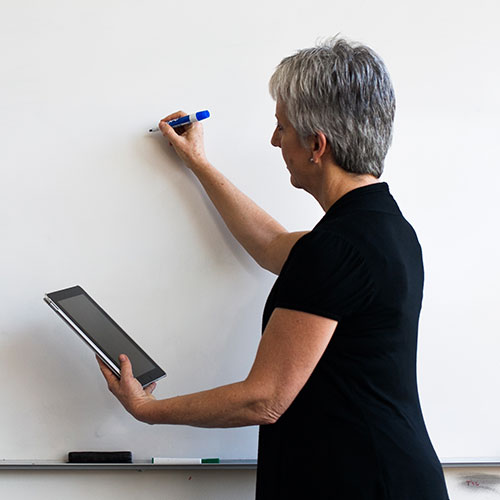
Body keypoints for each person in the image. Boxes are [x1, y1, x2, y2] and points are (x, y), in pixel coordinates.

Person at [97, 37, 450, 499]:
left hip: (364, 483)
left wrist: (147, 410)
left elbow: (264, 398)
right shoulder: (382, 230)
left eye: (281, 127)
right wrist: (199, 164)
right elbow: (268, 243)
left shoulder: (337, 249)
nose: (274, 139)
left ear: (316, 145)